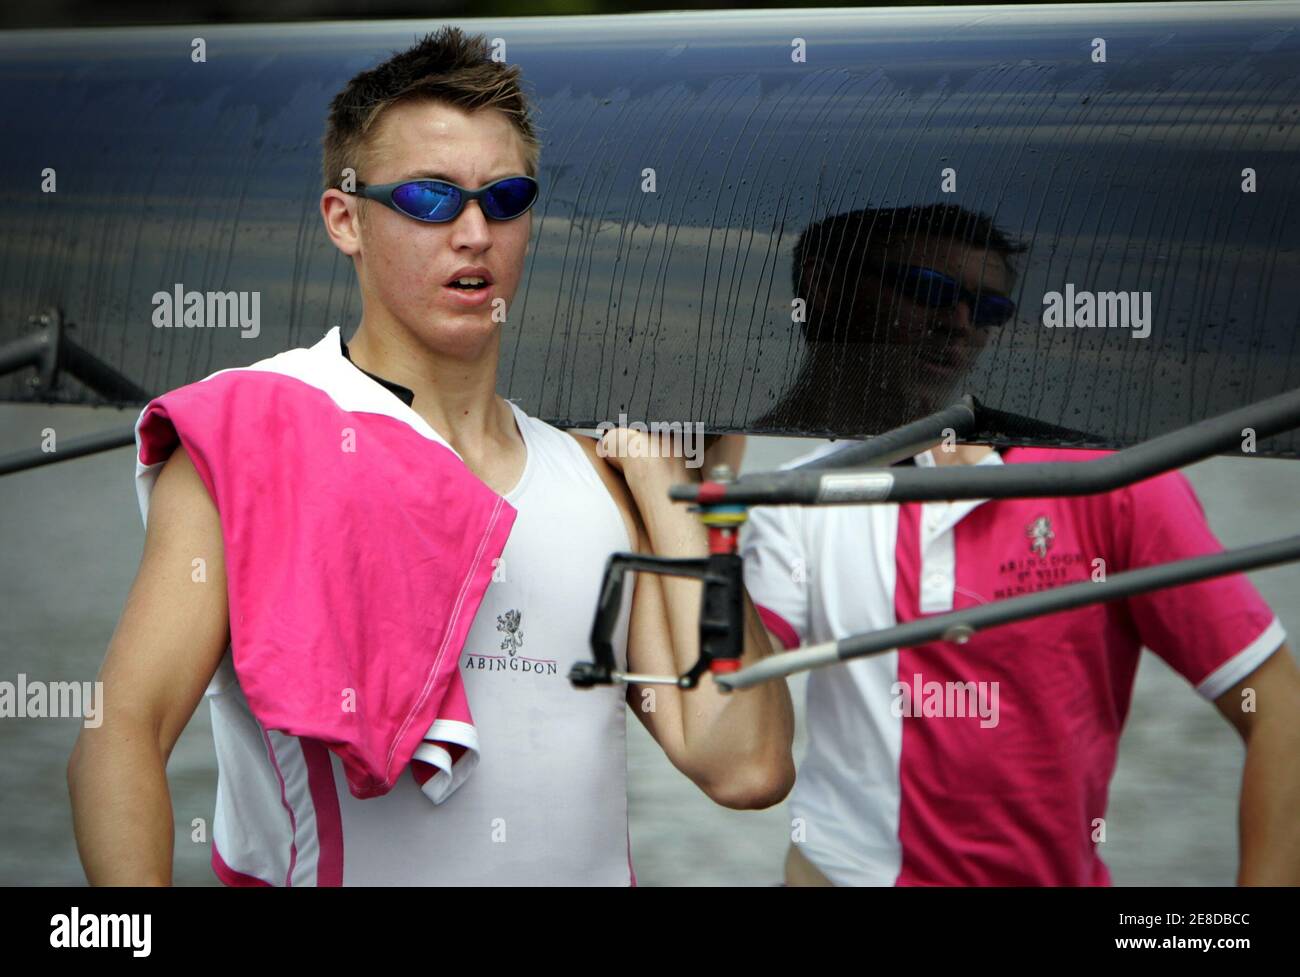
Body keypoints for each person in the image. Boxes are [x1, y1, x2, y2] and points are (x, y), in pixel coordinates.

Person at [68, 26, 794, 886]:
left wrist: (682, 507)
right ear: (345, 219)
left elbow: (744, 766)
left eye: (507, 197)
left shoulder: (599, 481)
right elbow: (120, 736)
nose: (475, 232)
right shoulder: (252, 436)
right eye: (429, 199)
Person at [736, 207, 1300, 886]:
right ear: (831, 293)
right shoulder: (796, 496)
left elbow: (1282, 714)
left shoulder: (1111, 480)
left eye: (988, 307)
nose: (961, 323)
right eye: (929, 289)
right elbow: (738, 736)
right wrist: (700, 491)